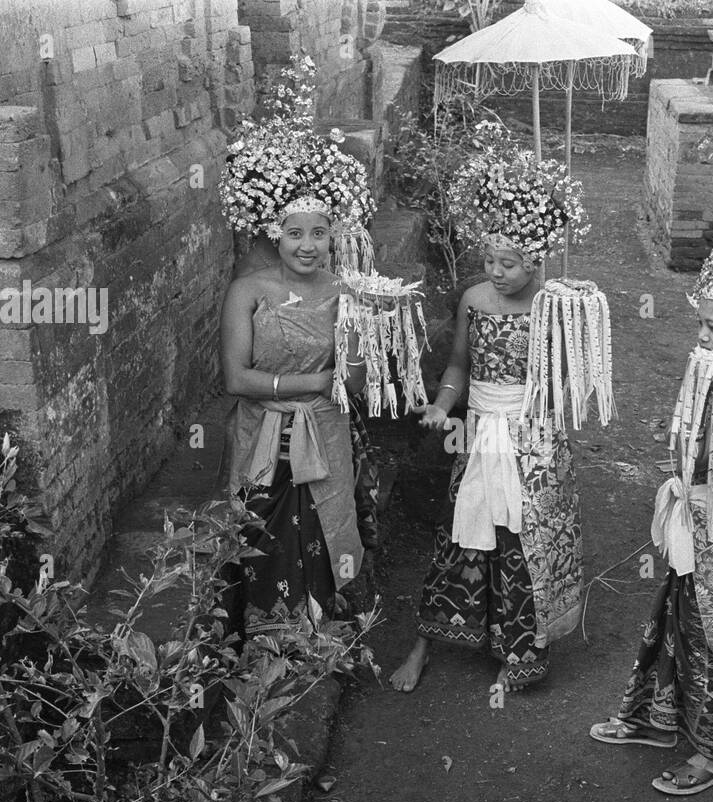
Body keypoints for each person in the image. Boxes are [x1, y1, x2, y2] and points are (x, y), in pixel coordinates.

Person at [589, 211, 713, 795]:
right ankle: (659, 720)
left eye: (711, 325)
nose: (701, 336)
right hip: (696, 524)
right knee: (676, 620)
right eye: (701, 324)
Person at [391, 151, 586, 694]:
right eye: (492, 260)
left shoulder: (554, 308)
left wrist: (537, 425)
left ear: (539, 258)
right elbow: (458, 366)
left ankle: (517, 650)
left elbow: (564, 385)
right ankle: (425, 643)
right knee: (461, 528)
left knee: (521, 538)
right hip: (477, 435)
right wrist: (441, 405)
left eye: (511, 262)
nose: (497, 273)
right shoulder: (475, 299)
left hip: (531, 438)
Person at [217, 116, 379, 637]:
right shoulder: (248, 291)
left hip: (324, 437)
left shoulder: (346, 292)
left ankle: (320, 641)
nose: (307, 245)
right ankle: (265, 642)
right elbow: (236, 380)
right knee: (260, 536)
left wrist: (364, 324)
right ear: (274, 234)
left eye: (319, 233)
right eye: (294, 234)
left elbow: (351, 385)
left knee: (324, 531)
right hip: (261, 437)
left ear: (333, 236)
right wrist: (312, 383)